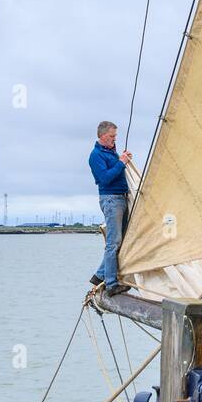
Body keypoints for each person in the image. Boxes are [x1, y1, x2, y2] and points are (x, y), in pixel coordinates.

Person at [89, 120, 132, 296]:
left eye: (115, 136)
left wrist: (122, 160)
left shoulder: (111, 152)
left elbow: (116, 171)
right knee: (113, 243)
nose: (115, 139)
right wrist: (121, 162)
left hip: (121, 199)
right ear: (102, 136)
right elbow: (105, 178)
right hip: (111, 200)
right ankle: (111, 284)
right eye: (112, 136)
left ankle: (99, 275)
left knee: (120, 240)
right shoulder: (95, 155)